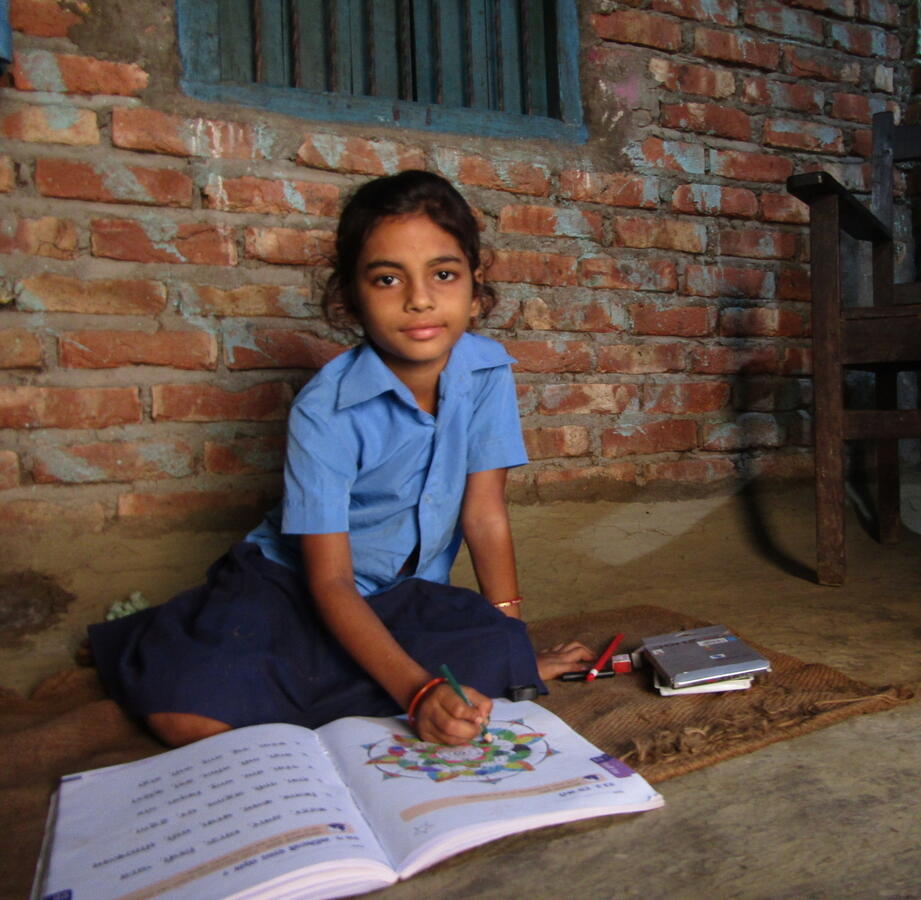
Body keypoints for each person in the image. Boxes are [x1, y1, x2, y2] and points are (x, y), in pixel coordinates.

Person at [88, 171, 594, 748]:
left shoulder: (486, 372)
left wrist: (512, 638)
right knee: (190, 719)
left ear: (476, 291)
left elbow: (484, 516)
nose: (420, 299)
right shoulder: (324, 409)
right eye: (386, 279)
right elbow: (328, 581)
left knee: (496, 652)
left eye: (444, 274)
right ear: (350, 297)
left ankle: (314, 681)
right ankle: (164, 638)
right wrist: (419, 693)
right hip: (289, 583)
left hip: (401, 596)